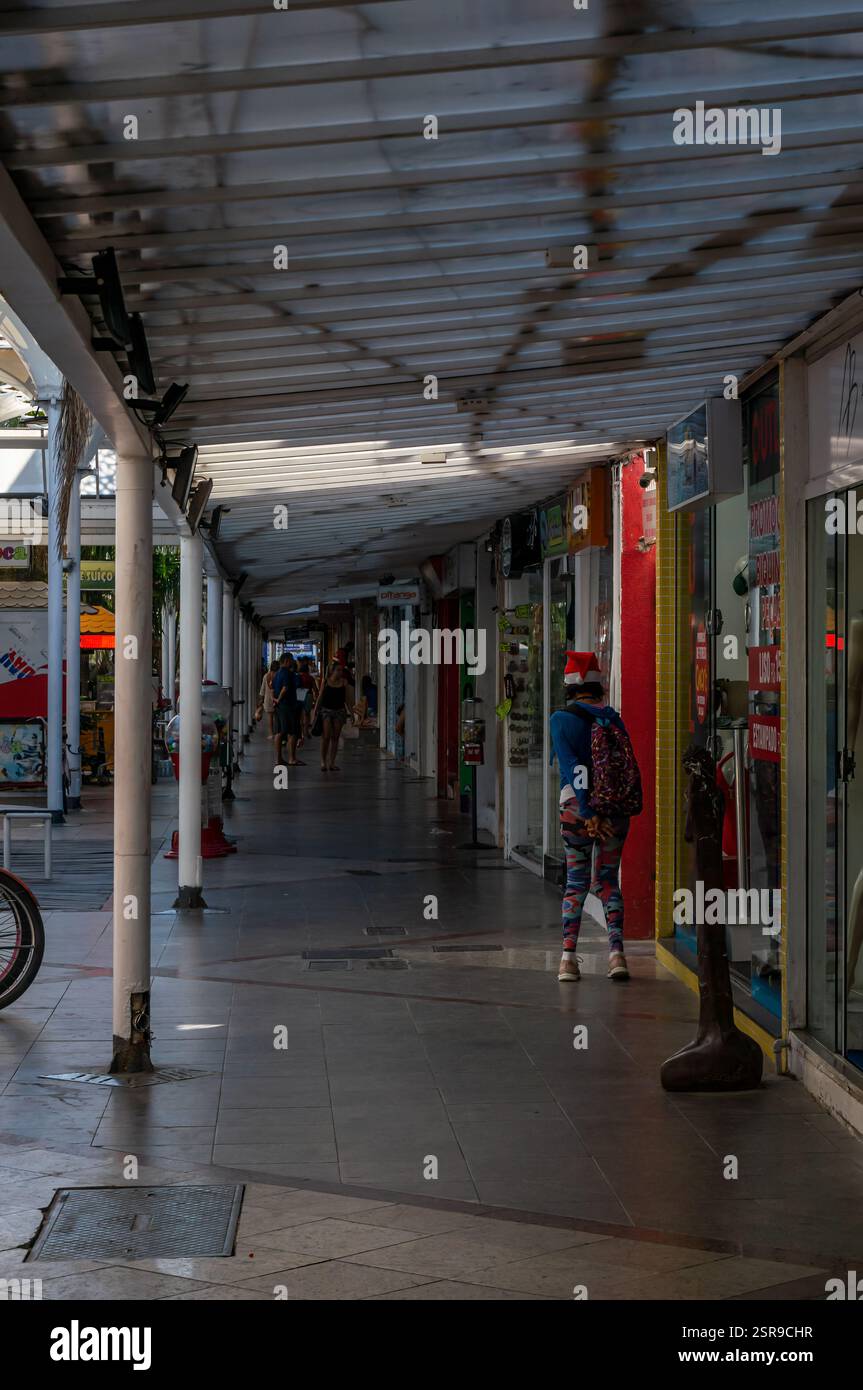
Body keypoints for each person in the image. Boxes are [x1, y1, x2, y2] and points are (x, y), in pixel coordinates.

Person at [549, 650, 642, 985]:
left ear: (571, 686)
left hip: (576, 809)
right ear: (598, 685)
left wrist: (588, 812)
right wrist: (602, 813)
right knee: (607, 882)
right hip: (616, 813)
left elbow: (573, 767)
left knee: (576, 882)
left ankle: (568, 960)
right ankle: (617, 955)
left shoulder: (561, 720)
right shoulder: (613, 718)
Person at [311, 659, 354, 772]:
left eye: (341, 670)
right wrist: (315, 711)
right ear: (332, 671)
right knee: (326, 737)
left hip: (339, 711)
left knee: (335, 737)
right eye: (338, 670)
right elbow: (320, 697)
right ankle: (323, 761)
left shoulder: (344, 682)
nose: (340, 672)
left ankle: (332, 762)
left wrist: (352, 714)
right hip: (326, 711)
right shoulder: (325, 681)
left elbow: (347, 699)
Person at [273, 653, 303, 767]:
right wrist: (279, 699)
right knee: (292, 732)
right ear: (286, 661)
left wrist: (275, 700)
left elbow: (271, 687)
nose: (292, 661)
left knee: (279, 732)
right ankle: (292, 758)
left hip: (279, 707)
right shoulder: (287, 673)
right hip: (288, 706)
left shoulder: (277, 674)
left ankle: (278, 759)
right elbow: (286, 688)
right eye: (291, 660)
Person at [296, 656, 318, 745]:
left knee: (300, 714)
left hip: (299, 694)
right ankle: (306, 731)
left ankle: (300, 732)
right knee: (307, 713)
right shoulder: (310, 678)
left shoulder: (297, 677)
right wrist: (317, 697)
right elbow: (315, 689)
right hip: (308, 695)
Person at [259, 660, 278, 738]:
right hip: (277, 698)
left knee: (270, 717)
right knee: (277, 717)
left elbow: (262, 689)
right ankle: (278, 732)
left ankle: (271, 733)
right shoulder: (278, 675)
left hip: (268, 699)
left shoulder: (266, 676)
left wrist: (261, 699)